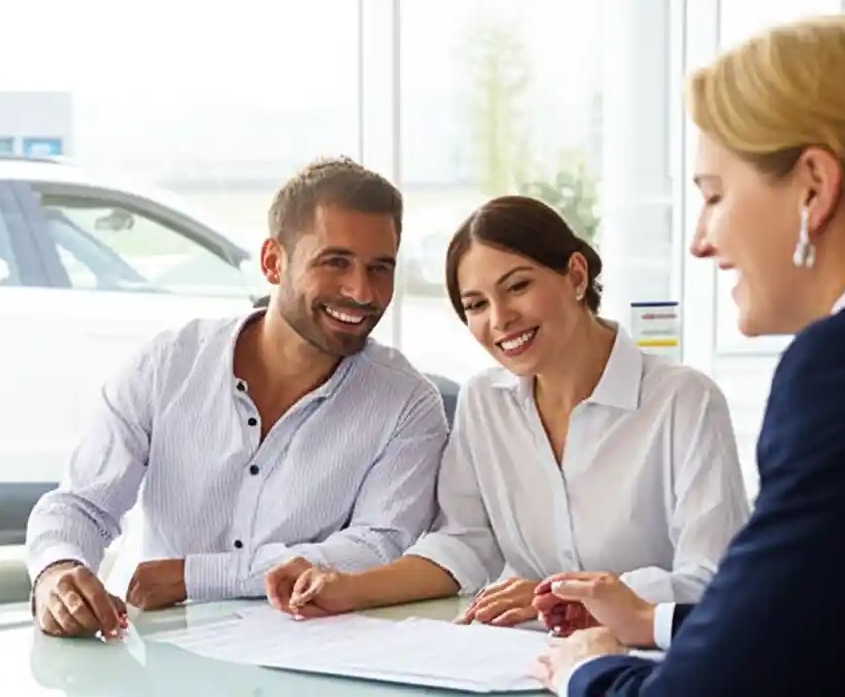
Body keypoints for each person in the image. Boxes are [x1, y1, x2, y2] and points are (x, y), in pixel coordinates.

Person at [532, 14, 845, 695]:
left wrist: (586, 671)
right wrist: (653, 620)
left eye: (713, 196)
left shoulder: (841, 371)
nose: (700, 241)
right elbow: (825, 618)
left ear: (813, 186)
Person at [265, 196, 749, 625]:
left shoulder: (684, 400)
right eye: (476, 304)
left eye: (517, 287)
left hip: (655, 665)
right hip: (529, 663)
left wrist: (565, 596)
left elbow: (712, 577)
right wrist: (345, 587)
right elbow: (463, 543)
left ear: (576, 276)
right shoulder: (484, 401)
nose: (499, 319)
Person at [26, 157, 448, 639]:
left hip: (313, 661)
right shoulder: (168, 365)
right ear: (273, 261)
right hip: (160, 659)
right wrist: (56, 570)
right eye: (335, 262)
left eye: (380, 269)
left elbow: (380, 545)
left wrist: (193, 576)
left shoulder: (408, 403)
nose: (361, 291)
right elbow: (81, 504)